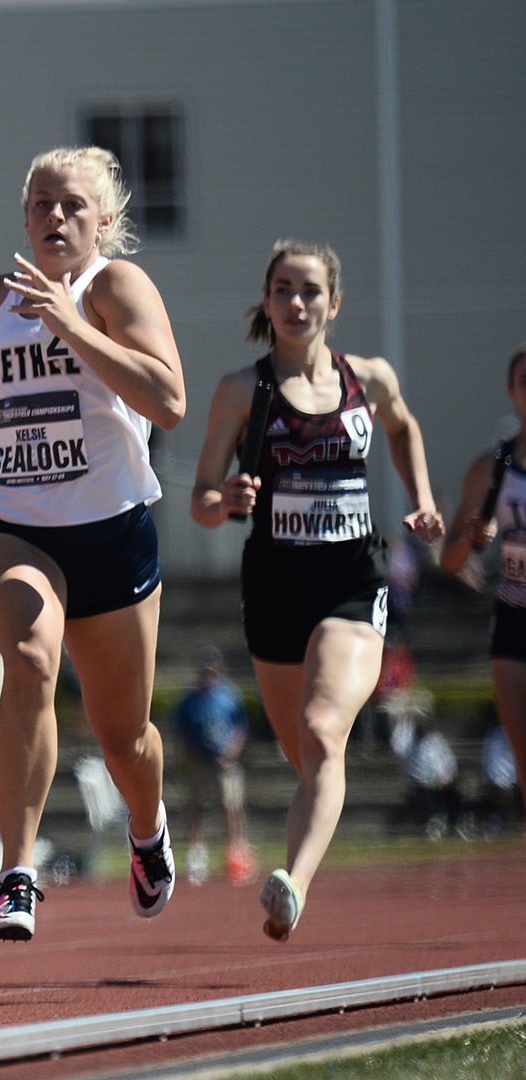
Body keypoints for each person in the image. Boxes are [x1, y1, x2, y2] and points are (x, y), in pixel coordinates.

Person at [0, 146, 184, 943]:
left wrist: (72, 326)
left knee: (124, 736)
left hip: (110, 532)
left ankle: (146, 825)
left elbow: (168, 400)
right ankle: (17, 873)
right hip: (10, 522)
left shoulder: (115, 288)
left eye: (71, 207)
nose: (53, 218)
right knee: (29, 658)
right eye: (39, 204)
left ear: (103, 222)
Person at [190, 238, 443, 942]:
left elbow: (404, 425)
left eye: (308, 291)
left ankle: (292, 885)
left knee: (324, 730)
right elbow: (201, 501)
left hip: (351, 579)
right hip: (273, 581)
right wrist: (226, 500)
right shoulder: (245, 390)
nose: (294, 303)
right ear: (266, 301)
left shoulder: (368, 378)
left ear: (334, 303)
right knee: (304, 754)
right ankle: (295, 881)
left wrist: (420, 498)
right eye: (281, 290)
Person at [439, 343, 526, 832]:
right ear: (511, 390)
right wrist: (472, 536)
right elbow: (451, 560)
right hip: (513, 619)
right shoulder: (492, 469)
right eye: (524, 380)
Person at [168, 648, 255, 886]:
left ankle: (236, 850)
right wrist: (186, 756)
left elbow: (239, 727)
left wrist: (231, 752)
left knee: (232, 806)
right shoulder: (189, 700)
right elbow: (180, 732)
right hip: (198, 762)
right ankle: (198, 852)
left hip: (224, 762)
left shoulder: (230, 696)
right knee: (195, 807)